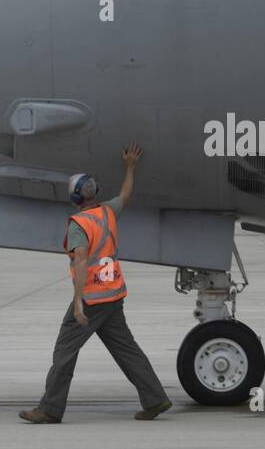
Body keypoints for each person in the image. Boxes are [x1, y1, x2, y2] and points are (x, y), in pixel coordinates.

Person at [19, 142, 172, 424]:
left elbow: (80, 261)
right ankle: (155, 398)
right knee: (127, 350)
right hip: (113, 295)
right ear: (95, 193)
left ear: (75, 197)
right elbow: (125, 196)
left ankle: (50, 408)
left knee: (64, 352)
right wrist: (130, 166)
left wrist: (78, 302)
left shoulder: (79, 223)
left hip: (92, 299)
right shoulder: (107, 212)